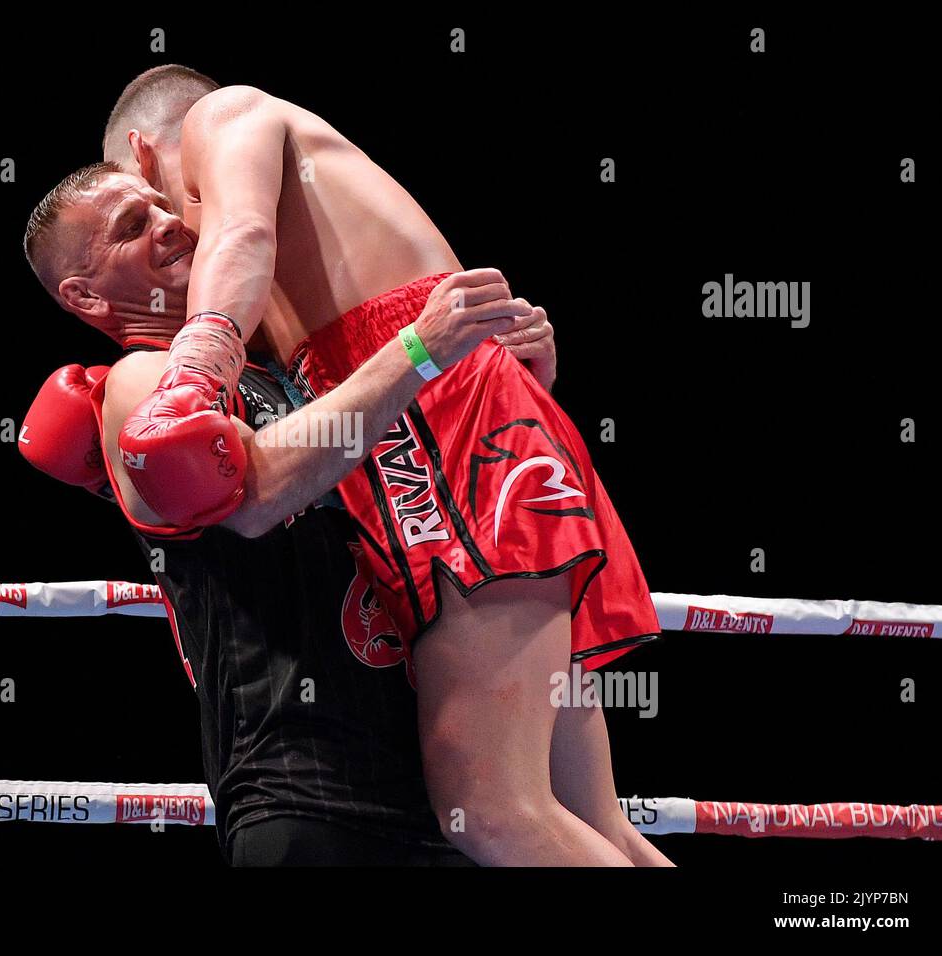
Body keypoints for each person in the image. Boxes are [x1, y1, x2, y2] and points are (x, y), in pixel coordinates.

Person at [96, 65, 670, 866]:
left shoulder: (226, 118)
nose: (176, 230)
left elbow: (242, 238)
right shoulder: (282, 313)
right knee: (586, 822)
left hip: (442, 422)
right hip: (444, 422)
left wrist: (197, 363)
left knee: (497, 809)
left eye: (146, 202)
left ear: (142, 153)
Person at [23, 191, 556, 863]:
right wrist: (420, 348)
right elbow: (256, 498)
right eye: (133, 229)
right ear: (88, 297)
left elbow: (435, 513)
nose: (168, 225)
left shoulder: (289, 371)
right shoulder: (143, 381)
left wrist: (507, 380)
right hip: (305, 794)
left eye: (163, 207)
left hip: (443, 789)